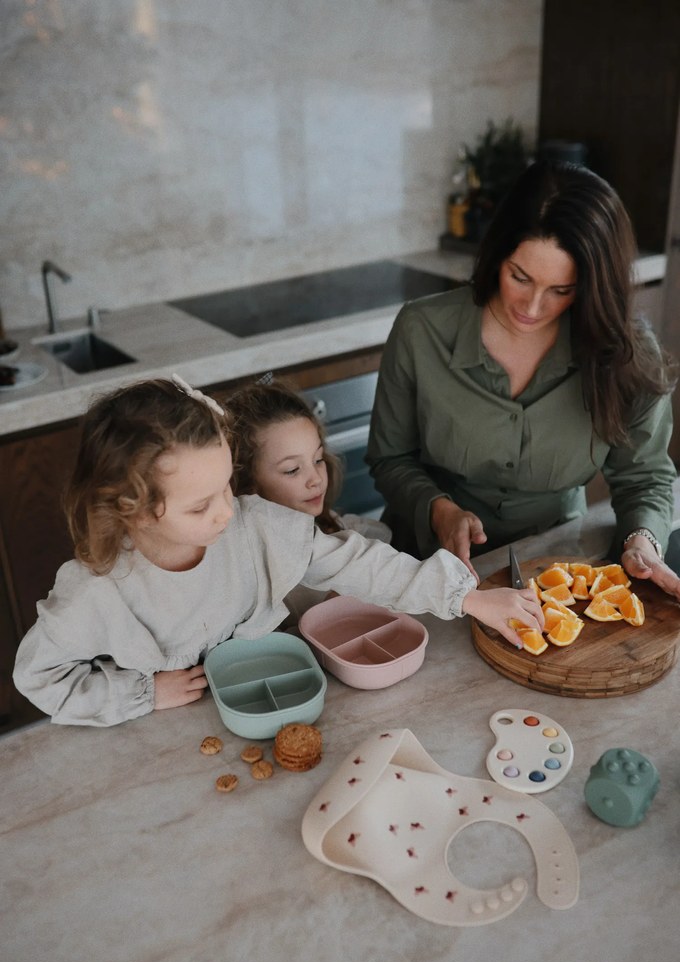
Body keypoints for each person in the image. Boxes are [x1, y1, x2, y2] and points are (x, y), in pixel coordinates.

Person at [13, 374, 543, 727]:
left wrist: (469, 599)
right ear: (133, 508)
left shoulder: (255, 525)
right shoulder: (95, 592)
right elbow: (39, 677)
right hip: (167, 731)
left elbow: (358, 562)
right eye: (201, 507)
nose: (226, 512)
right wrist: (141, 695)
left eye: (227, 488)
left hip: (271, 701)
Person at [366, 159, 680, 597]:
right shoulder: (422, 331)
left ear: (591, 286)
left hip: (555, 559)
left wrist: (641, 541)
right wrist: (437, 509)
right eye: (520, 277)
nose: (532, 308)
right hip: (424, 567)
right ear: (498, 255)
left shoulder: (626, 355)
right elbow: (390, 458)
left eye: (561, 290)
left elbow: (645, 478)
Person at [226, 378, 391, 621]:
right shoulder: (245, 578)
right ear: (246, 484)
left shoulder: (331, 525)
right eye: (292, 469)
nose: (315, 479)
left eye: (318, 459)